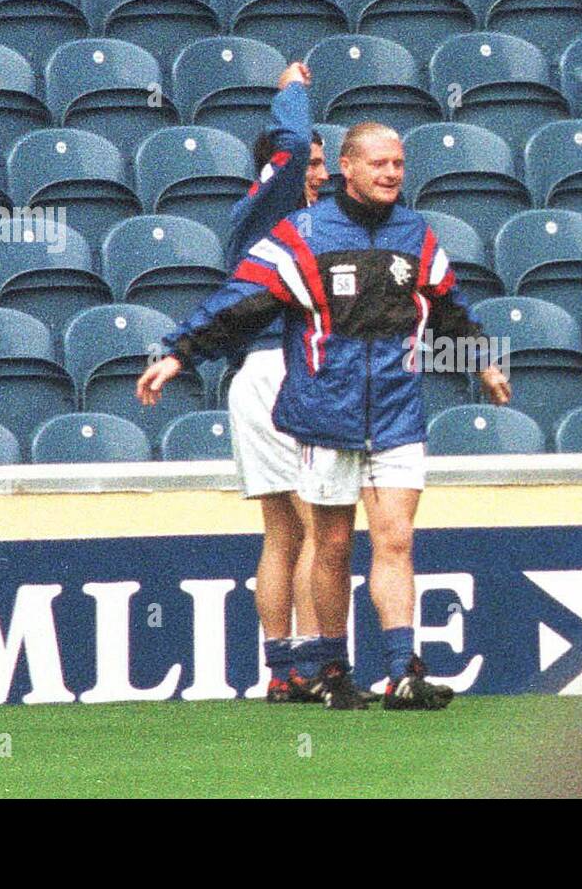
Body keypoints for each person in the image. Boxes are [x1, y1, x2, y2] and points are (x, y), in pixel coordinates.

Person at [137, 122, 512, 711]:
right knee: (333, 545)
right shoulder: (301, 233)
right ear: (348, 167)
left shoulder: (418, 235)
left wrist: (484, 362)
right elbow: (239, 301)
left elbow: (450, 309)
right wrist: (178, 352)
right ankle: (334, 669)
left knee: (397, 539)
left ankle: (402, 672)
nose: (392, 173)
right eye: (380, 163)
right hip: (322, 413)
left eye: (399, 164)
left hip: (396, 411)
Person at [213, 61, 333, 703]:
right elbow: (288, 145)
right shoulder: (274, 204)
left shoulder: (260, 217)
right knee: (321, 527)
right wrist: (291, 90)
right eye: (313, 164)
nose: (321, 173)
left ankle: (281, 670)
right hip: (283, 373)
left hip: (253, 377)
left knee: (282, 532)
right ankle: (316, 667)